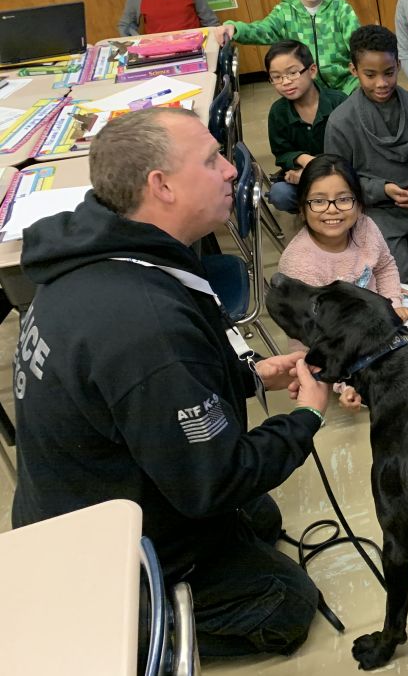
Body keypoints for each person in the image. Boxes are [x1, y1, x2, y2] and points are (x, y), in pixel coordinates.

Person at [11, 107, 329, 659]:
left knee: (263, 515)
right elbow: (214, 482)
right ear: (161, 186)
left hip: (99, 484)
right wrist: (308, 419)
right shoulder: (143, 325)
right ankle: (130, 624)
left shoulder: (110, 252)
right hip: (104, 545)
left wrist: (248, 375)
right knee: (285, 604)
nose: (232, 169)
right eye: (211, 161)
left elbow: (166, 384)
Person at [276, 153, 408, 412]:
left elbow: (386, 265)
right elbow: (314, 337)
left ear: (359, 204)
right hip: (344, 338)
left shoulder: (365, 227)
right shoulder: (301, 263)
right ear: (302, 206)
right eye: (319, 201)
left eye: (344, 199)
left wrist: (393, 302)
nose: (332, 209)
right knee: (388, 384)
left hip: (377, 306)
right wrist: (344, 384)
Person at [324, 25, 408, 285]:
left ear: (397, 66)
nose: (381, 83)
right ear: (353, 70)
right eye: (370, 75)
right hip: (377, 208)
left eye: (389, 73)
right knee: (396, 277)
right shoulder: (340, 122)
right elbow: (339, 181)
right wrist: (383, 189)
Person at [220, 0, 360, 94]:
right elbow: (263, 30)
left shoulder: (341, 9)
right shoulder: (285, 11)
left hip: (347, 87)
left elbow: (358, 48)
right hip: (308, 90)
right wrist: (235, 29)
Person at [265, 40, 346, 213]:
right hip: (304, 179)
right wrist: (302, 159)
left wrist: (313, 169)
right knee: (280, 194)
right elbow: (281, 153)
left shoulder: (339, 102)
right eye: (276, 77)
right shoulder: (278, 112)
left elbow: (353, 149)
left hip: (341, 174)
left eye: (292, 73)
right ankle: (315, 210)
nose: (285, 82)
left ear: (312, 71)